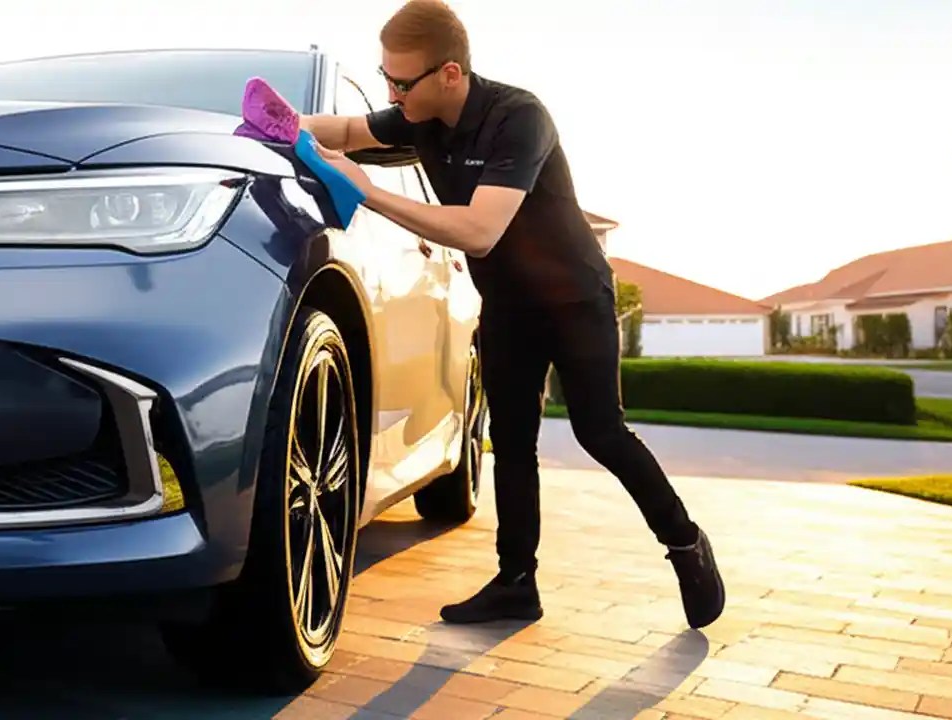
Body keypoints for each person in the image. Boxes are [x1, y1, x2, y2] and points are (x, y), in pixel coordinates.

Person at [299, 0, 725, 629]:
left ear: (449, 73)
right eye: (386, 77)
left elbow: (479, 231)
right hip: (508, 307)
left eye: (402, 82)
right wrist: (266, 125)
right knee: (514, 442)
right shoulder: (420, 115)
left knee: (600, 432)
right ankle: (516, 582)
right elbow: (341, 130)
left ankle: (685, 543)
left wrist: (368, 192)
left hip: (573, 300)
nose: (392, 93)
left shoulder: (519, 118)